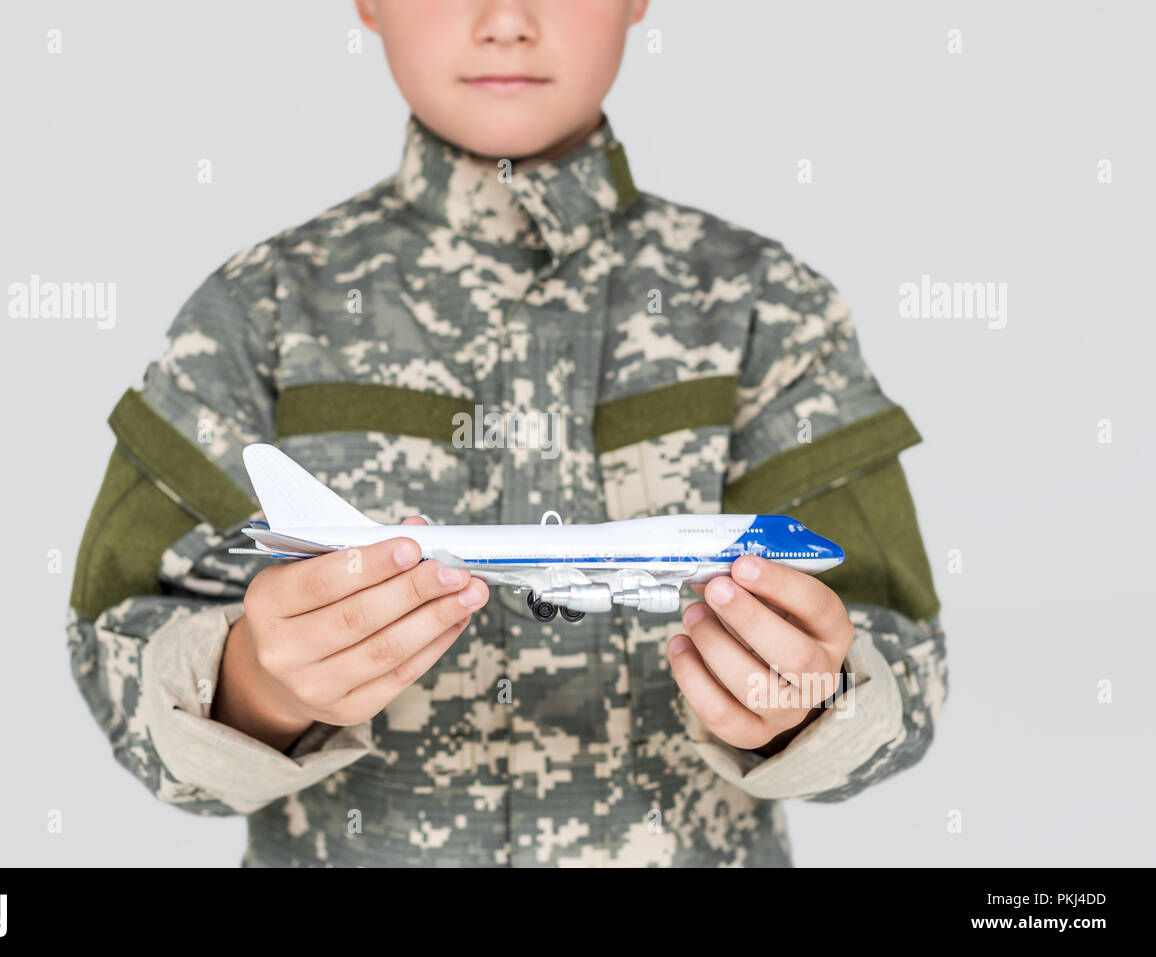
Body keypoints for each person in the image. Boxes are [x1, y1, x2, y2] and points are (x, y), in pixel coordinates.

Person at [67, 0, 947, 866]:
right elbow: (113, 650)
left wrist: (808, 701)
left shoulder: (771, 309)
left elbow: (907, 667)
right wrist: (255, 684)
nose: (506, 17)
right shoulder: (257, 310)